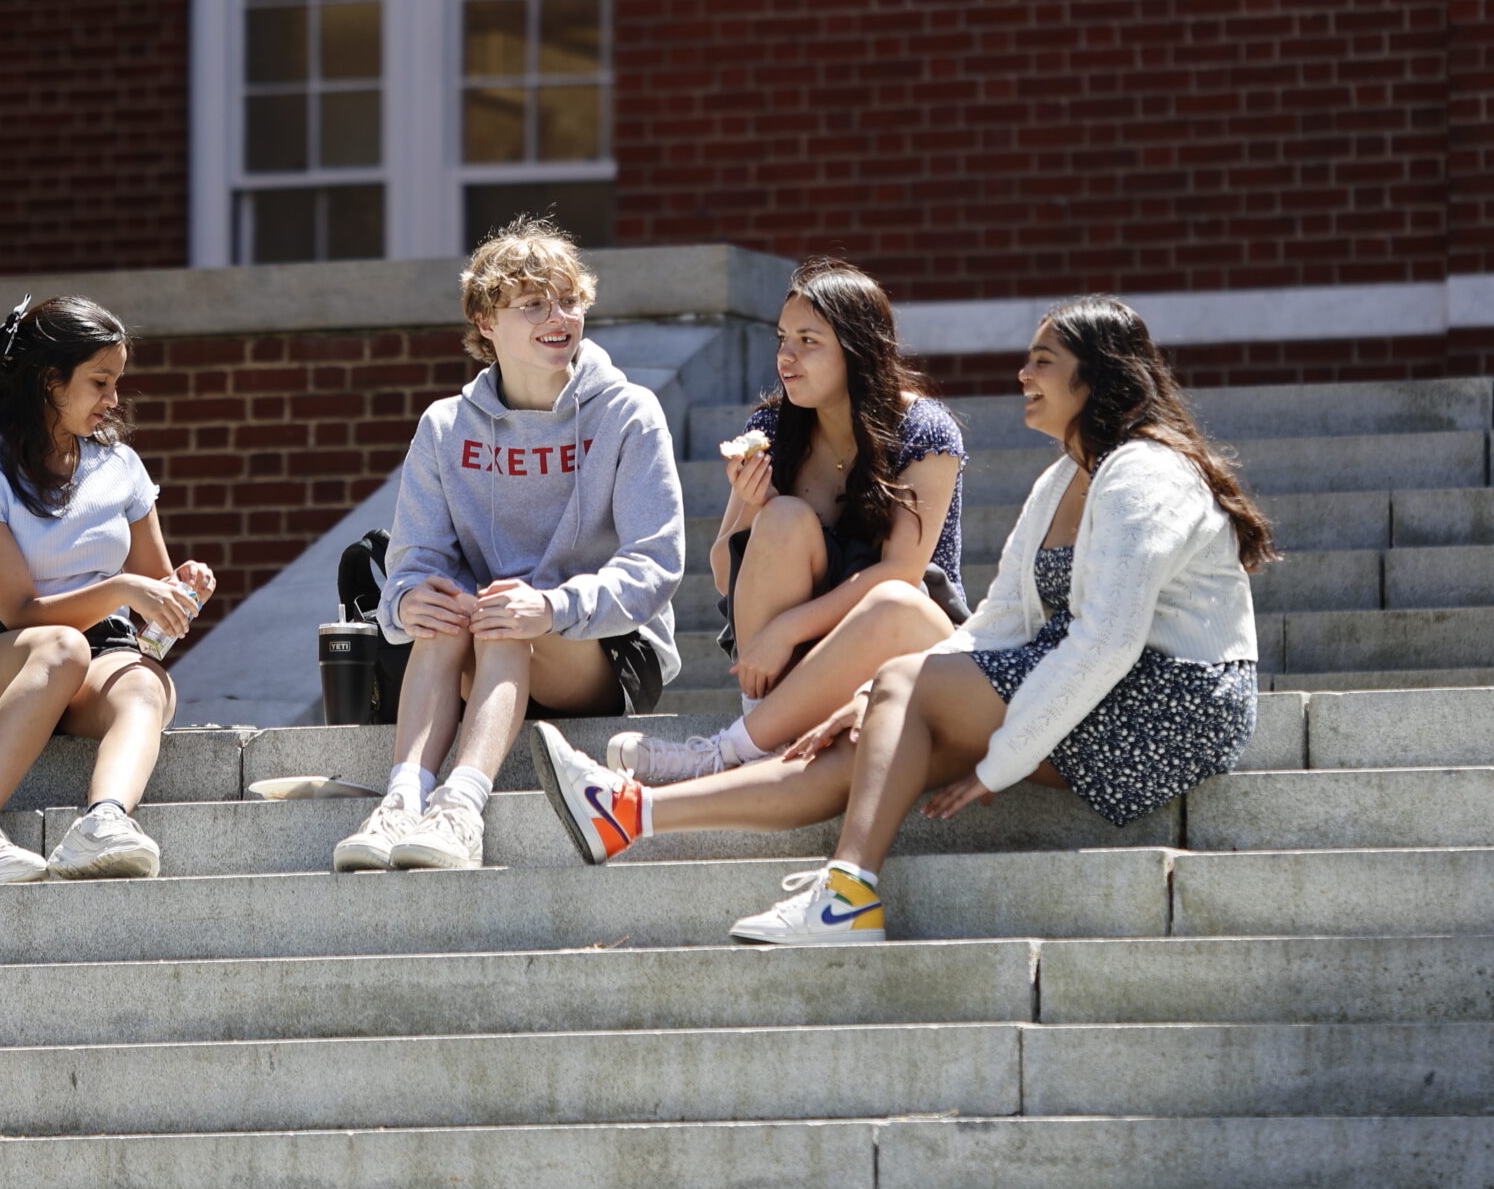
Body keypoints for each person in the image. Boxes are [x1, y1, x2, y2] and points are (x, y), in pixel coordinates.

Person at [529, 294, 1276, 945]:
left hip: (1172, 704)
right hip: (1091, 683)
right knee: (865, 747)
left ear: (1097, 375)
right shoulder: (1061, 480)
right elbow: (1002, 617)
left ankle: (846, 892)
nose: (1023, 374)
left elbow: (1108, 641)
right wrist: (879, 691)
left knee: (896, 702)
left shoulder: (1146, 474)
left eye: (1043, 360)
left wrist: (999, 759)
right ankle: (631, 812)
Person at [333, 216, 685, 874]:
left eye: (570, 300)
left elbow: (655, 567)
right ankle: (402, 800)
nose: (560, 317)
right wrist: (407, 603)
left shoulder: (628, 412)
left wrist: (550, 606)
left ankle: (462, 809)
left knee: (500, 612)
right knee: (447, 607)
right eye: (533, 304)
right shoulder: (444, 426)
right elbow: (411, 568)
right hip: (486, 640)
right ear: (485, 321)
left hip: (606, 648)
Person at [607, 257, 970, 785]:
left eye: (808, 341)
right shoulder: (773, 429)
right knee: (781, 518)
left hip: (906, 640)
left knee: (894, 600)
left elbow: (900, 573)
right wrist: (755, 502)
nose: (786, 357)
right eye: (782, 339)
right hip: (793, 662)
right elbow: (722, 571)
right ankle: (763, 728)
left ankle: (729, 751)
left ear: (857, 349)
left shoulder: (924, 430)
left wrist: (786, 629)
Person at [0, 296, 216, 886]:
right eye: (100, 382)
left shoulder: (121, 467)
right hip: (3, 659)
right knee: (60, 645)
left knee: (143, 680)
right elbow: (19, 611)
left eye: (117, 382)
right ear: (47, 382)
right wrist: (121, 588)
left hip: (100, 658)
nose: (114, 399)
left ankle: (103, 824)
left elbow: (149, 603)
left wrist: (179, 593)